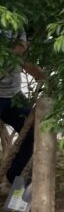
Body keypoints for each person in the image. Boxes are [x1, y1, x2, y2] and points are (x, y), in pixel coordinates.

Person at [1, 38, 37, 197]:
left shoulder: (17, 26)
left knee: (32, 133)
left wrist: (46, 78)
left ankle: (13, 179)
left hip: (13, 95)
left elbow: (22, 52)